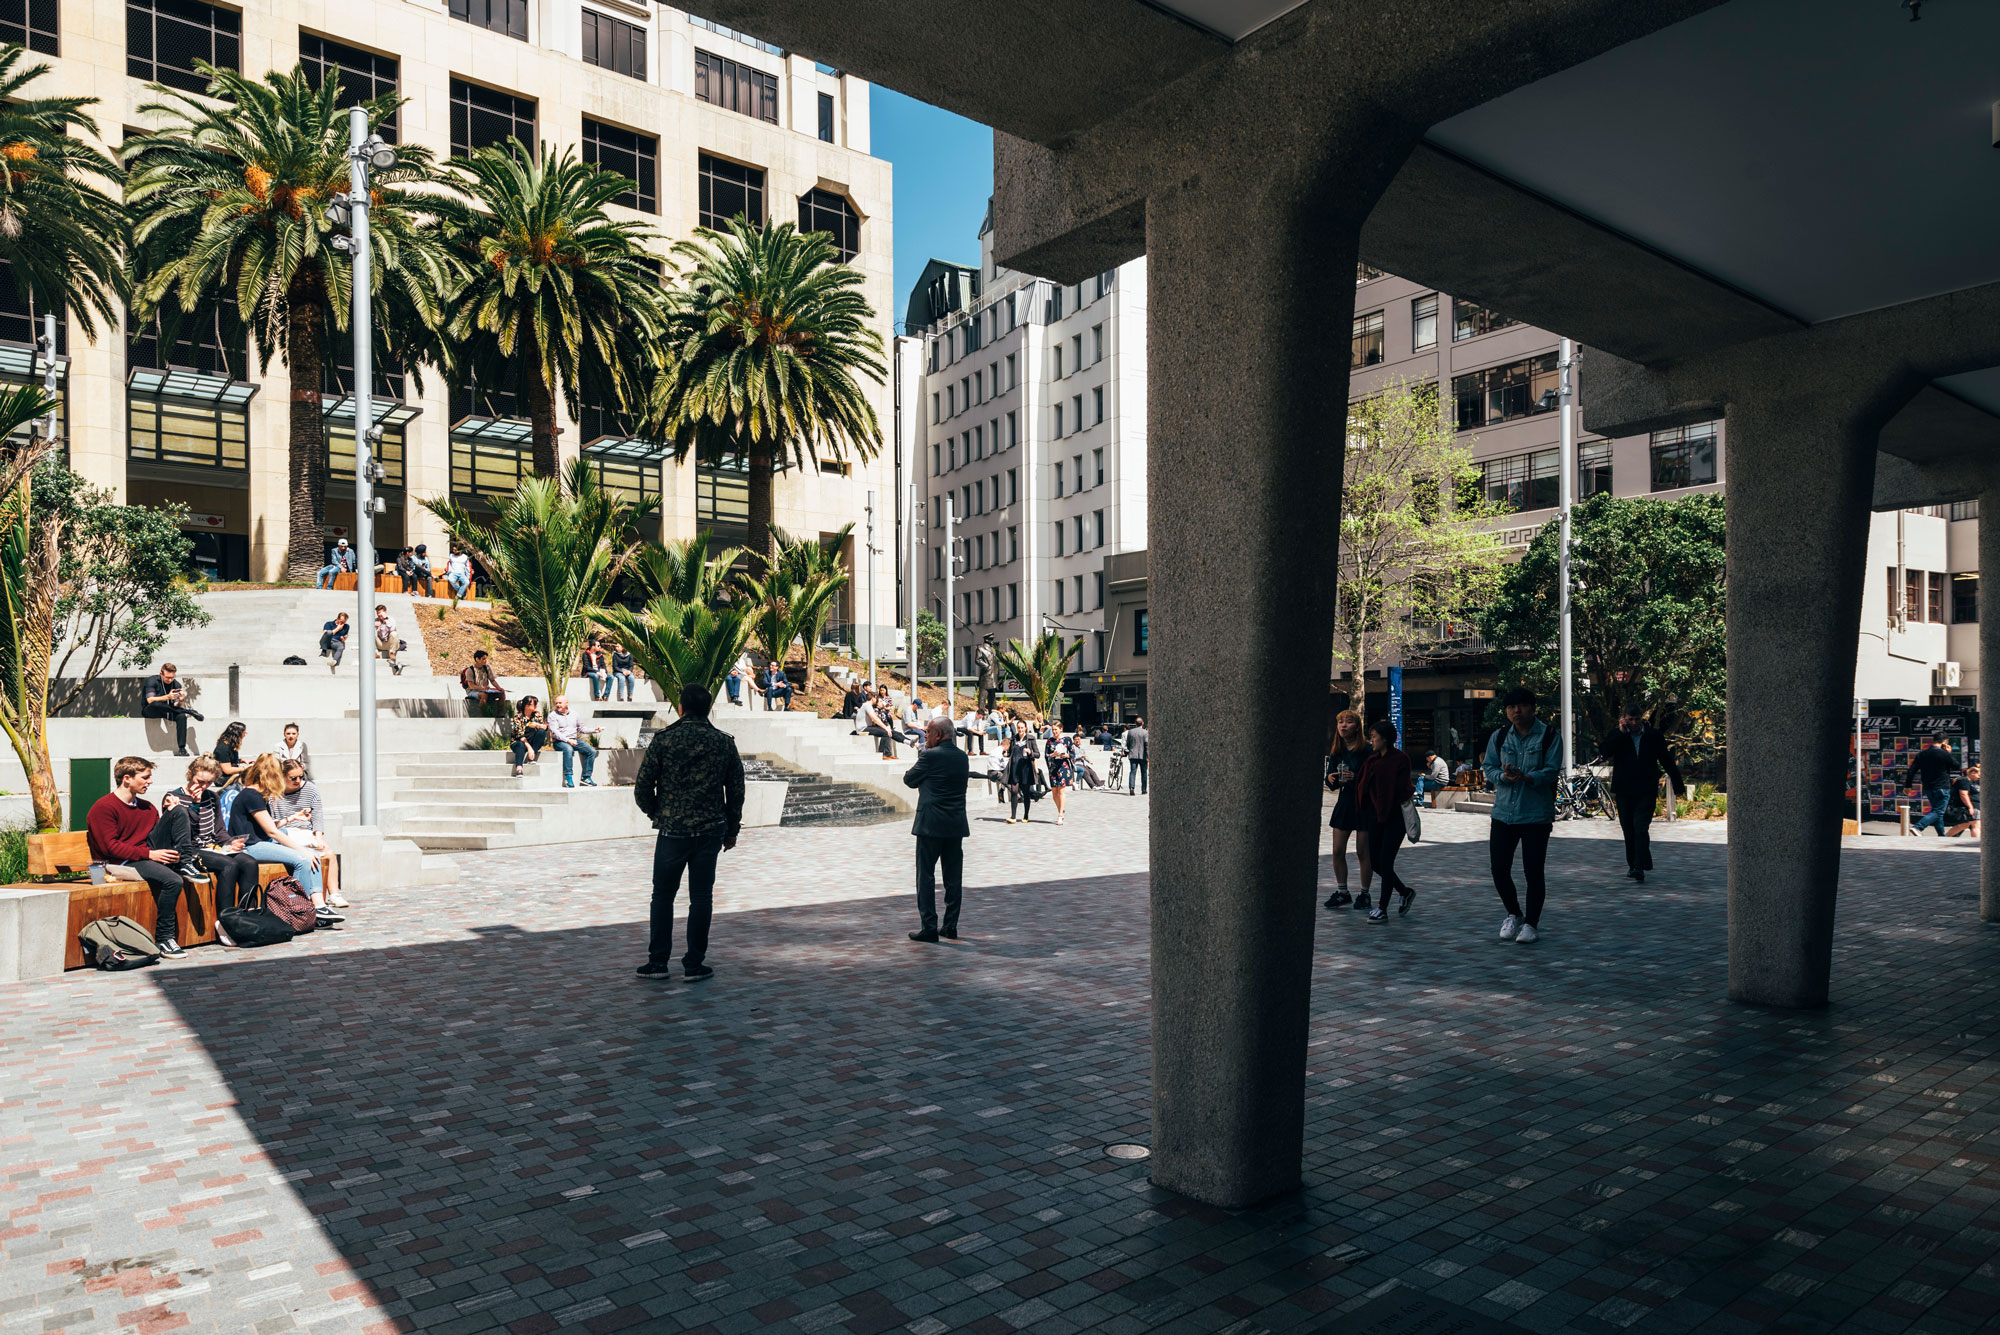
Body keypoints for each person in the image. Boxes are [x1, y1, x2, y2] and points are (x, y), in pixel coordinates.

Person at [633, 684, 744, 982]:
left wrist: (658, 813)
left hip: (672, 831)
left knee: (663, 897)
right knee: (701, 898)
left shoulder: (664, 740)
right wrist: (732, 829)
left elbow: (642, 787)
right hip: (710, 831)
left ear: (681, 707)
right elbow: (736, 791)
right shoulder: (723, 742)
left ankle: (658, 963)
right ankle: (694, 964)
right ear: (708, 708)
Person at [86, 756, 207, 957]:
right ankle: (164, 939)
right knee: (172, 880)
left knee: (178, 810)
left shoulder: (147, 807)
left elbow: (156, 834)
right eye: (145, 777)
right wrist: (150, 854)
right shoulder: (104, 808)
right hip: (120, 863)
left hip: (145, 856)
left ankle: (186, 861)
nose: (150, 781)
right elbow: (110, 847)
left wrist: (171, 812)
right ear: (127, 778)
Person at [1485, 687, 1560, 944]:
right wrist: (1502, 777)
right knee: (1498, 869)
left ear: (1532, 707)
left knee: (1533, 872)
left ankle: (1531, 923)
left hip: (1536, 816)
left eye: (1522, 706)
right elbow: (1489, 767)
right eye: (1511, 707)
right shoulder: (1500, 736)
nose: (1516, 711)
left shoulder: (1549, 735)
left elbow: (1551, 771)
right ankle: (1514, 913)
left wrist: (1528, 777)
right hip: (1503, 814)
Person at [230, 753, 340, 925]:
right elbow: (272, 832)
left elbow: (267, 826)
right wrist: (302, 850)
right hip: (252, 846)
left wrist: (292, 818)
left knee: (314, 855)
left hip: (262, 841)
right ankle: (299, 910)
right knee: (302, 860)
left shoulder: (258, 795)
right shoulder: (251, 795)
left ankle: (318, 906)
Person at [163, 755, 260, 945]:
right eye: (200, 781)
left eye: (209, 783)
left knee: (249, 863)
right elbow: (180, 833)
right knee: (229, 865)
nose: (204, 786)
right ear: (190, 775)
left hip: (212, 847)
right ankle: (225, 921)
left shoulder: (212, 796)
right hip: (189, 850)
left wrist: (231, 843)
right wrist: (194, 804)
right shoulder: (173, 797)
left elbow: (218, 831)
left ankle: (246, 915)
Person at [1590, 701, 1686, 882]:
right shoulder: (1618, 735)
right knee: (1628, 828)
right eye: (1630, 719)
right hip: (1624, 789)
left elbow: (1666, 759)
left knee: (1640, 827)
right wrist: (1620, 733)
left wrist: (1678, 784)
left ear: (1642, 718)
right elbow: (1604, 751)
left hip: (1646, 789)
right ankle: (1635, 864)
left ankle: (1639, 866)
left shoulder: (1653, 735)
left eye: (1636, 719)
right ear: (1624, 719)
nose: (1634, 723)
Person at [905, 717, 970, 942]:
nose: (927, 736)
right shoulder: (963, 758)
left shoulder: (930, 756)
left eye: (929, 733)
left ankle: (929, 928)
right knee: (953, 879)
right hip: (955, 825)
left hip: (930, 826)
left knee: (926, 877)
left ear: (939, 735)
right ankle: (950, 926)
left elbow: (909, 779)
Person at [1360, 719, 1417, 923]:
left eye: (1374, 737)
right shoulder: (1371, 760)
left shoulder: (1400, 759)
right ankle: (1405, 892)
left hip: (1394, 817)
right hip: (1374, 817)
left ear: (1385, 738)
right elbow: (1364, 786)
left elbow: (1401, 788)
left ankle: (1382, 908)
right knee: (1375, 862)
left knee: (1385, 861)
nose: (1371, 740)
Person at [271, 758, 345, 908]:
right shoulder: (275, 793)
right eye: (293, 778)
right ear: (283, 776)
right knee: (310, 855)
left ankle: (334, 894)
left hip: (305, 831)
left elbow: (317, 816)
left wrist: (318, 837)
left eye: (301, 776)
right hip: (284, 832)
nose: (298, 780)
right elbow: (272, 821)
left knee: (328, 852)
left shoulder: (310, 789)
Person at [1323, 709, 1373, 911]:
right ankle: (1343, 892)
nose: (1343, 725)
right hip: (1345, 803)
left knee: (1363, 851)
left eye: (1348, 722)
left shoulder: (1368, 750)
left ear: (1357, 726)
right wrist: (1331, 779)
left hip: (1364, 804)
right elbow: (1330, 779)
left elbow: (1374, 778)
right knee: (1337, 850)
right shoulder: (1336, 751)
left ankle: (1365, 893)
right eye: (1340, 722)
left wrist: (1357, 778)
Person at [142, 663, 204, 757]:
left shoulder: (176, 684)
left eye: (172, 677)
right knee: (156, 704)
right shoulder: (152, 681)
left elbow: (176, 705)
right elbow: (150, 700)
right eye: (167, 677)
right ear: (161, 674)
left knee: (181, 716)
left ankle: (182, 748)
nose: (170, 680)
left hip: (168, 711)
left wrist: (181, 699)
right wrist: (167, 697)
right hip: (151, 710)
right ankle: (189, 711)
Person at [1907, 738, 1961, 836]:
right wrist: (1949, 753)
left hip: (1928, 787)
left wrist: (1908, 785)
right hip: (1942, 787)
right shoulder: (1944, 754)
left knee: (1936, 811)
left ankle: (1941, 835)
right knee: (1938, 811)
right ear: (1944, 742)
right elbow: (1956, 766)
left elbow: (1912, 770)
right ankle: (1918, 827)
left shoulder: (1922, 754)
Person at [547, 695, 599, 788]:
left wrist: (594, 730)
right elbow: (555, 732)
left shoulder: (575, 714)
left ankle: (586, 777)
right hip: (559, 742)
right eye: (556, 703)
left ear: (566, 703)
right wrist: (568, 740)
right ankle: (568, 777)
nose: (558, 705)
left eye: (560, 703)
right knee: (568, 749)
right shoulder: (552, 716)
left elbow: (582, 729)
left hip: (573, 739)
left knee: (591, 752)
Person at [1004, 730, 1040, 823]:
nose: (1020, 729)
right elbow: (1010, 753)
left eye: (1022, 727)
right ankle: (1013, 816)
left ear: (1025, 728)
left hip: (1026, 770)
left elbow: (1037, 754)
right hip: (1015, 769)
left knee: (1026, 792)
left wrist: (1030, 752)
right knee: (1014, 791)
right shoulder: (1013, 739)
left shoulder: (1031, 739)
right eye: (1018, 727)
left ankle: (1026, 815)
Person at [507, 696, 548, 776]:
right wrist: (529, 748)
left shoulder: (537, 715)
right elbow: (520, 736)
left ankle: (532, 757)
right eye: (534, 704)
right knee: (520, 744)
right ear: (527, 706)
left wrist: (537, 724)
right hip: (519, 741)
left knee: (541, 732)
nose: (536, 706)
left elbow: (545, 727)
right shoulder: (518, 717)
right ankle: (519, 768)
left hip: (531, 740)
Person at [1046, 728, 1076, 825]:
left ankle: (1059, 815)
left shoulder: (1067, 739)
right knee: (1054, 792)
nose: (1054, 732)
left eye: (1056, 730)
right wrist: (1052, 754)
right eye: (1053, 730)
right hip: (1053, 767)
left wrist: (1067, 755)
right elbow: (1046, 755)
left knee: (1061, 790)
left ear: (1061, 729)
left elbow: (1073, 754)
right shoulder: (1049, 741)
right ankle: (1061, 810)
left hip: (1064, 766)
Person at [1945, 762, 1981, 838]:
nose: (1979, 777)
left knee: (1964, 825)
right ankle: (1976, 843)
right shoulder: (1964, 780)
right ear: (1973, 772)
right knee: (1976, 824)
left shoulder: (1972, 782)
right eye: (1978, 775)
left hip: (1975, 806)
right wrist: (1970, 807)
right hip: (1972, 806)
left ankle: (1945, 837)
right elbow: (1963, 794)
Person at [857, 692, 896, 759]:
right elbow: (875, 719)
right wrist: (885, 728)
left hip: (868, 727)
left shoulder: (868, 706)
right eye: (875, 698)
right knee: (886, 732)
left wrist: (886, 727)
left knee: (888, 731)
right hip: (863, 728)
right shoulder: (867, 705)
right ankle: (882, 754)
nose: (876, 699)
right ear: (872, 698)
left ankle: (888, 754)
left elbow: (875, 719)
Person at [211, 721, 249, 786]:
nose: (245, 734)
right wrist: (245, 768)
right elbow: (227, 770)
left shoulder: (231, 745)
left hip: (230, 776)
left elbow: (228, 760)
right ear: (238, 733)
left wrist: (241, 760)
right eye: (244, 732)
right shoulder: (223, 748)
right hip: (223, 779)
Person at [373, 604, 403, 676]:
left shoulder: (391, 620)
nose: (379, 615)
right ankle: (375, 652)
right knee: (371, 632)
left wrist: (385, 620)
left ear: (385, 612)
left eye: (380, 612)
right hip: (381, 643)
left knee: (394, 634)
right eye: (377, 613)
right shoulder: (375, 620)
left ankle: (392, 654)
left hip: (390, 643)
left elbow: (392, 629)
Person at [1123, 717, 1149, 795]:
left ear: (1135, 724)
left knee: (1132, 772)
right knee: (1144, 772)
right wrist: (1148, 755)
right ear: (1142, 723)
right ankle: (1143, 789)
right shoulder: (1145, 732)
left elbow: (1128, 743)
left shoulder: (1130, 732)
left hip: (1133, 754)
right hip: (1143, 755)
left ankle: (1131, 787)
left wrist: (1129, 750)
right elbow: (1147, 744)